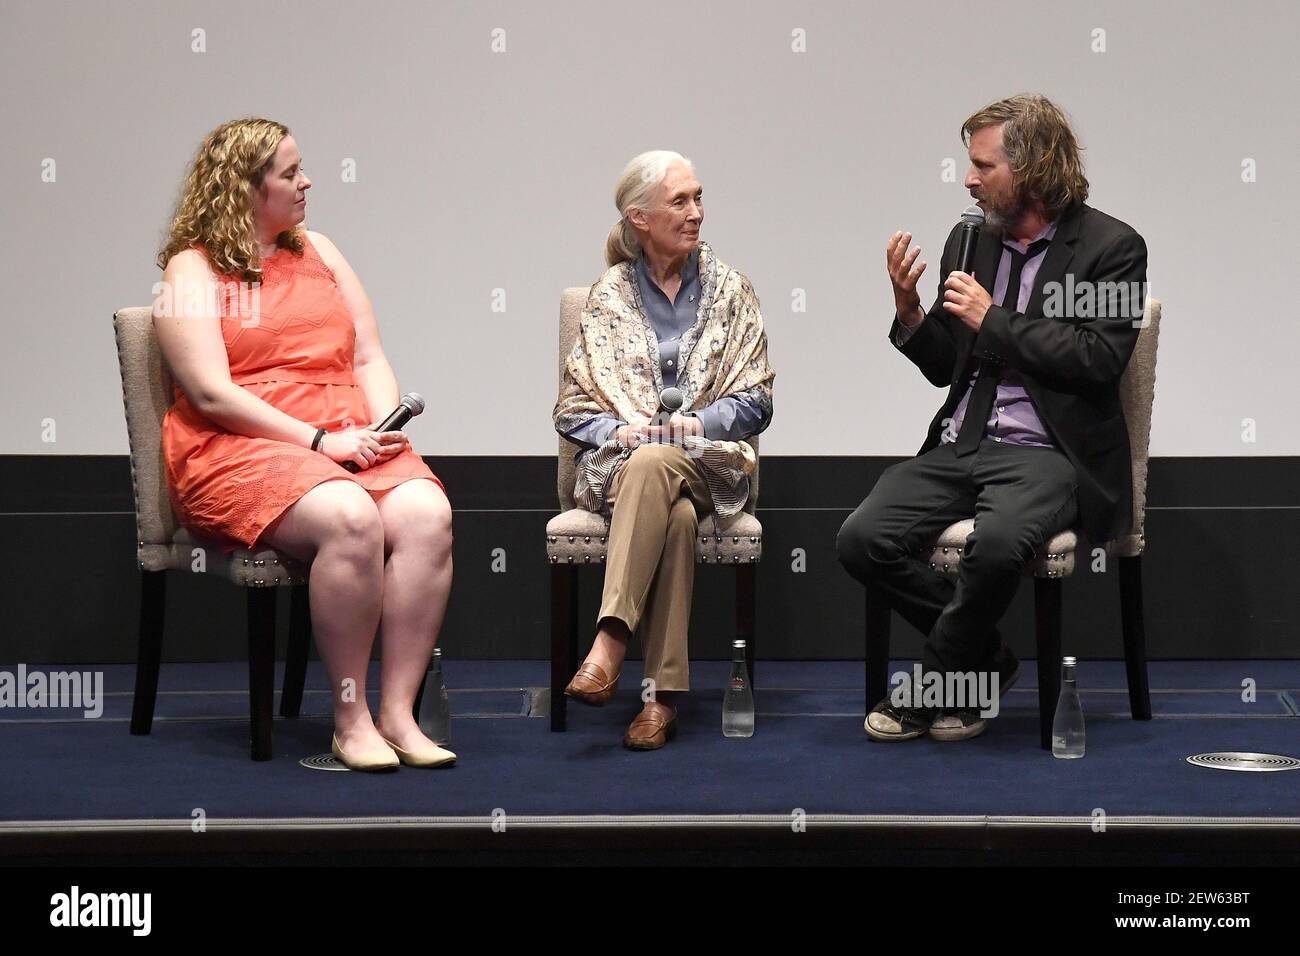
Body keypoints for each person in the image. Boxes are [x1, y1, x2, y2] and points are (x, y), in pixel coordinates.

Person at [836, 94, 1148, 743]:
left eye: (982, 165)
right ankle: (985, 660)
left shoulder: (1111, 248)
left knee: (999, 544)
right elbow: (948, 365)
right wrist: (912, 314)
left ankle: (934, 684)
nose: (968, 179)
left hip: (1050, 454)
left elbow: (1099, 358)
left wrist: (995, 320)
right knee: (861, 539)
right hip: (963, 440)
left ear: (1032, 167)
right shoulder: (969, 240)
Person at [153, 118, 456, 771]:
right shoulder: (192, 268)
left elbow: (370, 356)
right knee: (349, 518)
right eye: (290, 173)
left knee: (427, 516)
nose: (307, 181)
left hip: (345, 434)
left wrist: (380, 430)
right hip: (238, 444)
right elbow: (210, 393)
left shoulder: (318, 248)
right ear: (244, 187)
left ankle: (398, 714)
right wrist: (321, 441)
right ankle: (350, 720)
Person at [553, 150, 774, 750]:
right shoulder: (607, 297)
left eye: (699, 197)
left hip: (710, 462)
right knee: (671, 511)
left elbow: (757, 400)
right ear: (640, 217)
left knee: (662, 462)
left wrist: (696, 424)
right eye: (681, 201)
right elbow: (573, 410)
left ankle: (610, 639)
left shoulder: (731, 290)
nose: (697, 212)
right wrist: (619, 433)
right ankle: (661, 699)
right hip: (624, 467)